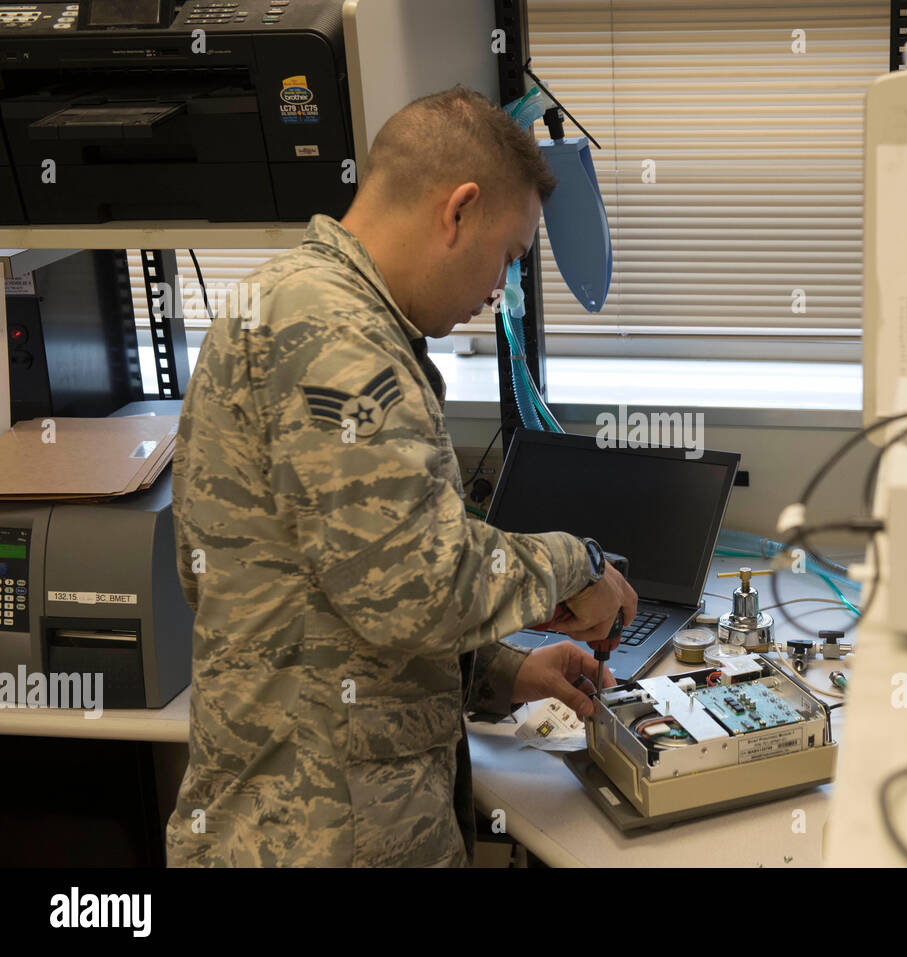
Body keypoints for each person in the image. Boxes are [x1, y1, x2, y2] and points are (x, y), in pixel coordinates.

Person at [164, 85, 638, 867]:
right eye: (509, 258)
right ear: (458, 210)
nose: (498, 292)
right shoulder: (337, 338)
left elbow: (322, 597)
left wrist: (508, 671)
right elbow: (411, 587)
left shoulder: (290, 301)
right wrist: (575, 563)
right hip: (319, 837)